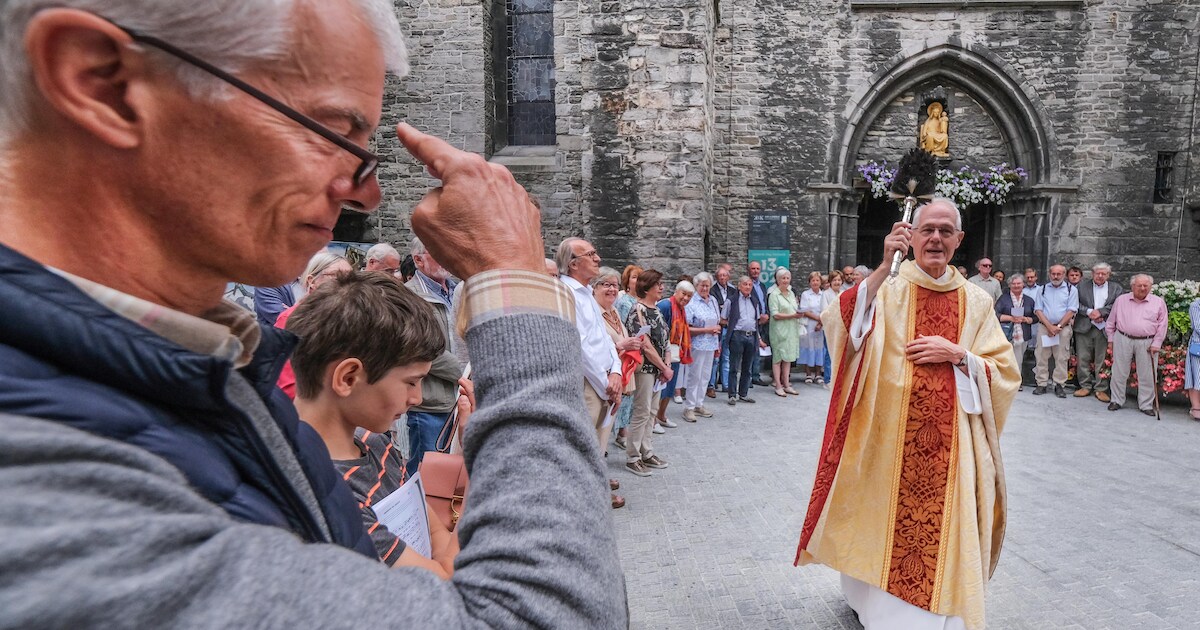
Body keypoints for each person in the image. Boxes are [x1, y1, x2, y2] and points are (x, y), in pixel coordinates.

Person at [0, 1, 626, 627]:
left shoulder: (206, 367)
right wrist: (511, 281)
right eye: (333, 132)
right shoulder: (41, 481)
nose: (366, 190)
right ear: (101, 83)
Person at [796, 198, 1020, 630]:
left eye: (945, 231)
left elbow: (1005, 372)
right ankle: (879, 609)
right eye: (927, 230)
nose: (935, 238)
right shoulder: (889, 290)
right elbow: (843, 325)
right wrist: (882, 267)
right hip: (887, 441)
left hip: (952, 448)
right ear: (911, 236)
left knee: (943, 531)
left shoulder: (976, 302)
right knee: (881, 523)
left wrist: (958, 355)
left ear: (960, 240)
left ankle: (941, 611)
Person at [288, 271, 467, 577]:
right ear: (348, 378)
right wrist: (479, 464)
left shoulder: (375, 442)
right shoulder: (331, 496)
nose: (417, 398)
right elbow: (446, 578)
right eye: (411, 382)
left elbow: (432, 532)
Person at [555, 238, 624, 506]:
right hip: (589, 382)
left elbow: (604, 338)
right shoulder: (567, 293)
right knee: (584, 446)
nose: (597, 258)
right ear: (573, 264)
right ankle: (584, 502)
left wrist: (616, 371)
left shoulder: (586, 292)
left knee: (596, 444)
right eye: (590, 254)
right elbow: (579, 344)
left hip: (603, 379)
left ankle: (593, 495)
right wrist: (605, 381)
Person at [403, 237, 465, 476]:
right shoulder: (410, 297)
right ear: (418, 260)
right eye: (438, 251)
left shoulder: (458, 291)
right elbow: (423, 348)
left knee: (454, 475)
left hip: (459, 402)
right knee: (427, 476)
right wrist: (466, 374)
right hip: (431, 403)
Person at [594, 266, 642, 508]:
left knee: (603, 436)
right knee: (597, 437)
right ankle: (596, 488)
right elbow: (591, 349)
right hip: (599, 383)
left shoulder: (612, 311)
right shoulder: (593, 313)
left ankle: (599, 478)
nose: (612, 288)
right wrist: (621, 345)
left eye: (614, 285)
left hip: (617, 379)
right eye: (605, 284)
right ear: (594, 288)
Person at [275, 251, 354, 399]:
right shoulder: (291, 319)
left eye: (351, 278)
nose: (346, 284)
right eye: (337, 276)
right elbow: (287, 383)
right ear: (312, 281)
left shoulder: (350, 319)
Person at [623, 269, 673, 477]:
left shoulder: (657, 310)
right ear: (648, 286)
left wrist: (666, 365)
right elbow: (645, 345)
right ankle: (633, 456)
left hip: (659, 369)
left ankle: (647, 450)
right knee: (642, 411)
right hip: (645, 368)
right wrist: (664, 367)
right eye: (658, 284)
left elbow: (666, 340)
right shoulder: (638, 310)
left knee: (652, 411)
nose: (661, 288)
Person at [1105, 274, 1168, 417]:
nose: (1142, 288)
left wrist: (1157, 343)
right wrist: (1111, 339)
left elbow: (1163, 325)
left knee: (1147, 374)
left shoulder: (1158, 302)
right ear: (1132, 286)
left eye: (1146, 285)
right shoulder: (1121, 300)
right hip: (1123, 338)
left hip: (1147, 341)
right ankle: (1116, 400)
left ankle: (1146, 404)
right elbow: (1111, 321)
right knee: (1119, 372)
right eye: (1139, 285)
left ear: (1151, 287)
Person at [1073, 263, 1123, 402]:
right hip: (1084, 326)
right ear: (1092, 274)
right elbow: (1074, 302)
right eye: (1097, 273)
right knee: (1083, 357)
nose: (1100, 276)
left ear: (1108, 275)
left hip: (1104, 327)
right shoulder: (1081, 286)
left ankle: (1101, 389)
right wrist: (1089, 312)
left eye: (1104, 274)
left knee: (1102, 359)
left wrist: (1101, 312)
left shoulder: (1116, 288)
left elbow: (1116, 305)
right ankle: (1085, 386)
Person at [1033, 264, 1077, 398]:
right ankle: (1041, 383)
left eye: (1059, 274)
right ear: (1049, 274)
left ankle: (1059, 384)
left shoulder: (1071, 290)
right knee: (1041, 355)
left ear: (1063, 275)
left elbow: (1072, 310)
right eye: (1053, 274)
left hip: (1062, 329)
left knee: (1062, 357)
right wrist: (1049, 326)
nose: (1056, 277)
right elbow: (1038, 309)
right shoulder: (1043, 289)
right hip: (1044, 327)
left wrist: (1058, 326)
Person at [655, 280, 695, 428]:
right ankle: (653, 421)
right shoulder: (665, 305)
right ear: (676, 292)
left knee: (670, 387)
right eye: (683, 294)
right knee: (661, 386)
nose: (685, 298)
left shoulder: (681, 308)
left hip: (676, 351)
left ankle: (661, 416)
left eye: (689, 296)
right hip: (664, 352)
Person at [683, 273, 721, 422]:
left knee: (705, 375)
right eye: (702, 285)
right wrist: (706, 330)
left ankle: (699, 403)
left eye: (707, 285)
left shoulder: (713, 301)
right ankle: (689, 407)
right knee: (695, 375)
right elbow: (687, 327)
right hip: (697, 344)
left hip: (711, 343)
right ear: (696, 286)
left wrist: (717, 342)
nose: (705, 288)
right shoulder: (691, 302)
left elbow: (717, 322)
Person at [722, 276, 763, 405]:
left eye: (750, 285)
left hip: (751, 335)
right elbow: (722, 319)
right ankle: (732, 395)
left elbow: (757, 321)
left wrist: (758, 338)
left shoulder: (755, 301)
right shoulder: (731, 300)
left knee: (748, 367)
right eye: (745, 284)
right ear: (739, 286)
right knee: (734, 366)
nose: (747, 287)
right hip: (737, 336)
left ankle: (743, 394)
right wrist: (732, 326)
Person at [996, 276, 1036, 392]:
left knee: (1018, 359)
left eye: (1019, 283)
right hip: (1006, 333)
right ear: (1009, 285)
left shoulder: (1029, 300)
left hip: (1023, 334)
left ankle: (1016, 382)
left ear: (1023, 284)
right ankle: (1004, 382)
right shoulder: (1004, 299)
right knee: (1006, 359)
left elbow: (1036, 317)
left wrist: (1028, 319)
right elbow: (995, 314)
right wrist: (1010, 318)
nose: (1016, 286)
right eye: (1014, 284)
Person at [767, 268, 802, 397]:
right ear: (778, 280)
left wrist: (798, 313)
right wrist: (793, 315)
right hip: (778, 330)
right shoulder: (774, 295)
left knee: (788, 357)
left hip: (791, 329)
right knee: (778, 358)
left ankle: (787, 384)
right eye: (783, 278)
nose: (785, 280)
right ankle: (778, 385)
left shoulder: (791, 293)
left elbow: (794, 308)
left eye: (787, 278)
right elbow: (775, 314)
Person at [798, 271, 827, 384]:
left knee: (819, 348)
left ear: (820, 282)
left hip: (821, 325)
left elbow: (826, 310)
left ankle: (818, 374)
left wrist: (821, 323)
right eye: (813, 280)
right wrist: (817, 319)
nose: (815, 282)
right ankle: (808, 374)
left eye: (817, 280)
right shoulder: (806, 294)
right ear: (809, 282)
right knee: (807, 347)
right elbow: (804, 310)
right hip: (809, 324)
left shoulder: (824, 294)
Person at [710, 262, 734, 395]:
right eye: (720, 276)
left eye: (725, 275)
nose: (722, 278)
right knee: (715, 358)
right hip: (718, 327)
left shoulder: (732, 290)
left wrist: (723, 307)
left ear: (728, 277)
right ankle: (711, 385)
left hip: (728, 327)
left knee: (726, 357)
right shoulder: (712, 290)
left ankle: (726, 384)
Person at [748, 261, 772, 386]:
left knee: (758, 349)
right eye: (753, 269)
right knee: (751, 351)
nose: (755, 271)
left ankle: (756, 376)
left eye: (757, 269)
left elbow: (764, 302)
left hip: (764, 321)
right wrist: (758, 318)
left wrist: (767, 314)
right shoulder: (747, 285)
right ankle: (749, 377)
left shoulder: (762, 286)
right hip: (753, 321)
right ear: (749, 270)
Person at [821, 271, 846, 387]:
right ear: (830, 282)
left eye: (839, 280)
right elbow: (824, 311)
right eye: (834, 280)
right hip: (830, 328)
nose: (837, 282)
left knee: (840, 354)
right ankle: (828, 379)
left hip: (842, 328)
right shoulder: (825, 294)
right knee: (829, 353)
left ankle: (838, 379)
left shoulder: (844, 293)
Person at [1185, 296, 1200, 421]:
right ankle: (1196, 407)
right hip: (1198, 346)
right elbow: (1198, 326)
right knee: (1197, 377)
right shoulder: (1195, 305)